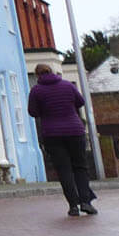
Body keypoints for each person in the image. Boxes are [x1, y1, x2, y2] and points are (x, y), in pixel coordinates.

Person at [28, 64, 96, 216]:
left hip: (52, 133)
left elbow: (33, 112)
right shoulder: (67, 85)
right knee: (80, 166)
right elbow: (80, 102)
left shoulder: (36, 91)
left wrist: (45, 110)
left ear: (38, 75)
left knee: (64, 170)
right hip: (75, 130)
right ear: (52, 71)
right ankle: (86, 202)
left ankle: (73, 205)